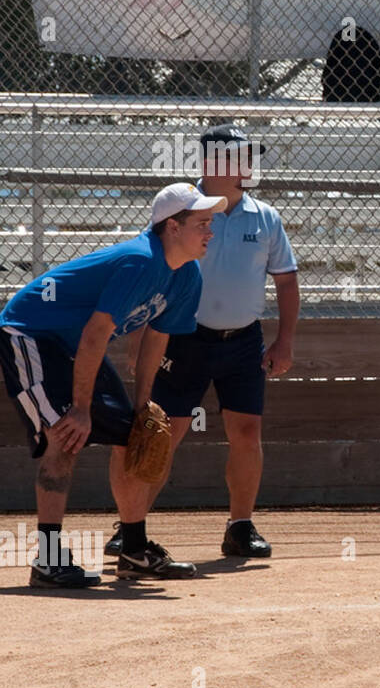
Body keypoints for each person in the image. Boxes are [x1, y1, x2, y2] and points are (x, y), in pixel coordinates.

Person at [0, 182, 225, 586]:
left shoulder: (187, 274)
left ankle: (134, 551)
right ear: (173, 226)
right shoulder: (140, 261)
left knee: (131, 435)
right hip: (31, 333)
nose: (210, 231)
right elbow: (95, 335)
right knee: (64, 435)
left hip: (79, 343)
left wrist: (143, 406)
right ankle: (48, 560)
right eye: (202, 223)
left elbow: (157, 337)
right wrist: (82, 409)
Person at [106, 125, 299, 560]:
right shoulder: (179, 209)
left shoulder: (266, 216)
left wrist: (284, 342)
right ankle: (131, 529)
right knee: (161, 433)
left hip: (243, 341)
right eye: (242, 156)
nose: (251, 165)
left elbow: (287, 282)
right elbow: (151, 277)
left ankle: (241, 527)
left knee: (247, 432)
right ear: (215, 164)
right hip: (182, 339)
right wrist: (138, 345)